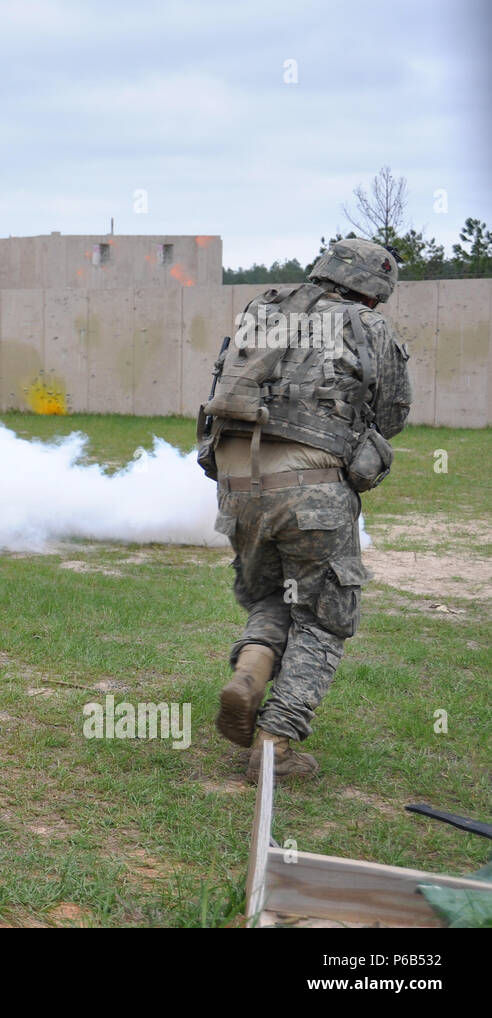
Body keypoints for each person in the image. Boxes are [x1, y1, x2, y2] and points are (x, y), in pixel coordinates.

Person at [202, 237, 412, 783]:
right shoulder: (368, 326)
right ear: (374, 289)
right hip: (310, 488)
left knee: (274, 594)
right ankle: (275, 745)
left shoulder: (263, 311)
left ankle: (250, 673)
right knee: (322, 618)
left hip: (237, 482)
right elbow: (390, 414)